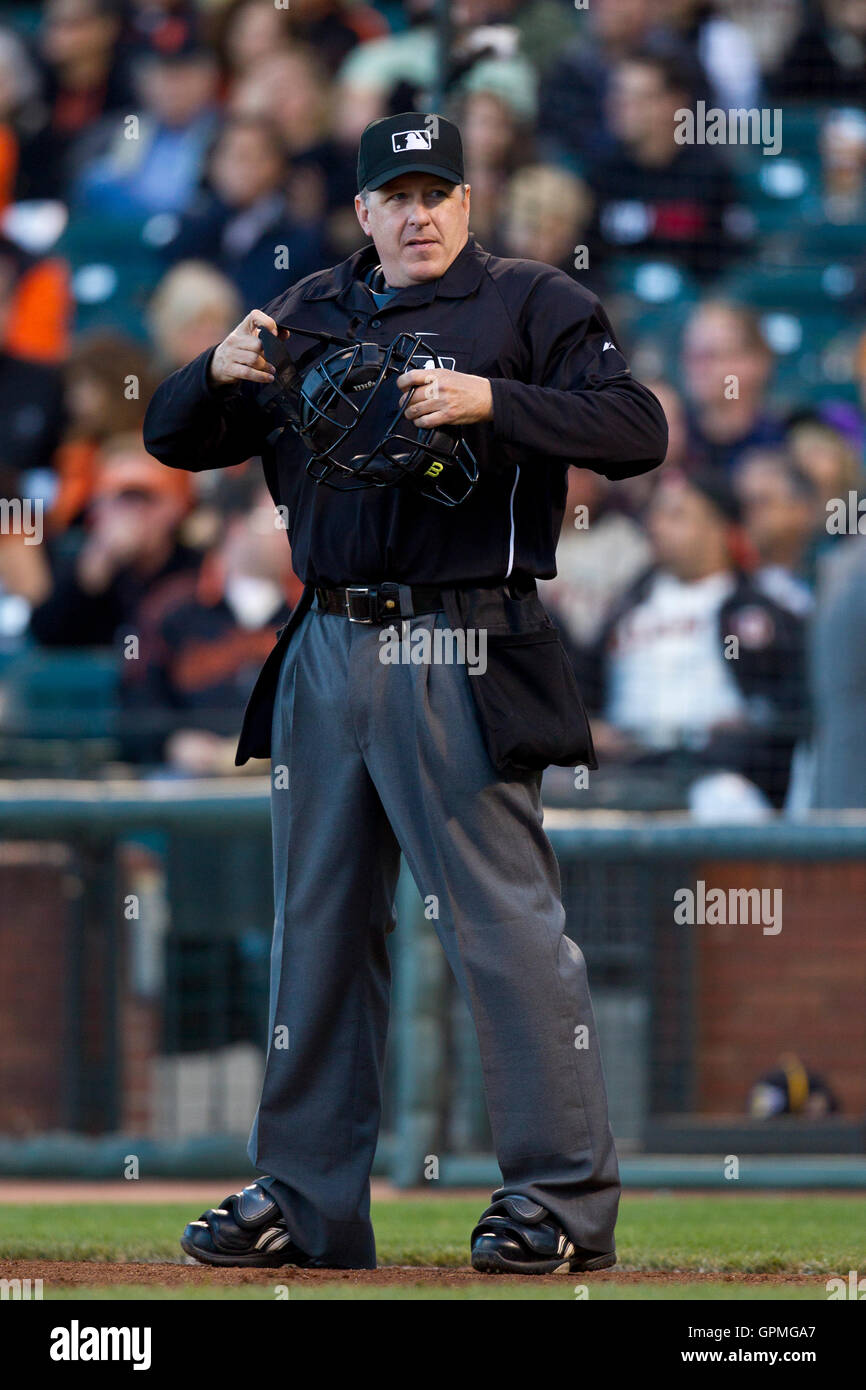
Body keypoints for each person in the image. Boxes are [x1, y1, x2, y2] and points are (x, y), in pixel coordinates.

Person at [144, 111, 667, 1275]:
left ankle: (558, 1203)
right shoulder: (312, 308)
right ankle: (305, 1198)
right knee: (317, 931)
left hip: (465, 638)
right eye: (397, 194)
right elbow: (173, 438)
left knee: (504, 931)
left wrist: (495, 402)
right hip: (325, 637)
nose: (419, 212)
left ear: (466, 207)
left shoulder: (531, 302)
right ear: (364, 211)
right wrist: (208, 372)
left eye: (438, 192)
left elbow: (637, 429)